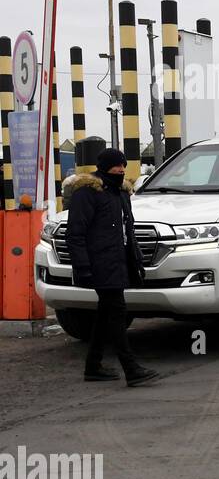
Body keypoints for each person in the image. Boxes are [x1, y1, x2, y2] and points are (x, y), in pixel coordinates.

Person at [63, 149, 161, 387]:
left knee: (106, 312)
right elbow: (75, 234)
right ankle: (131, 369)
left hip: (118, 262)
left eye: (123, 165)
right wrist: (83, 267)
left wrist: (136, 261)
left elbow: (128, 232)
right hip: (99, 263)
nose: (121, 169)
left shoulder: (121, 192)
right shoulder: (87, 193)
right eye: (116, 165)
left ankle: (93, 367)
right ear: (104, 166)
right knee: (117, 312)